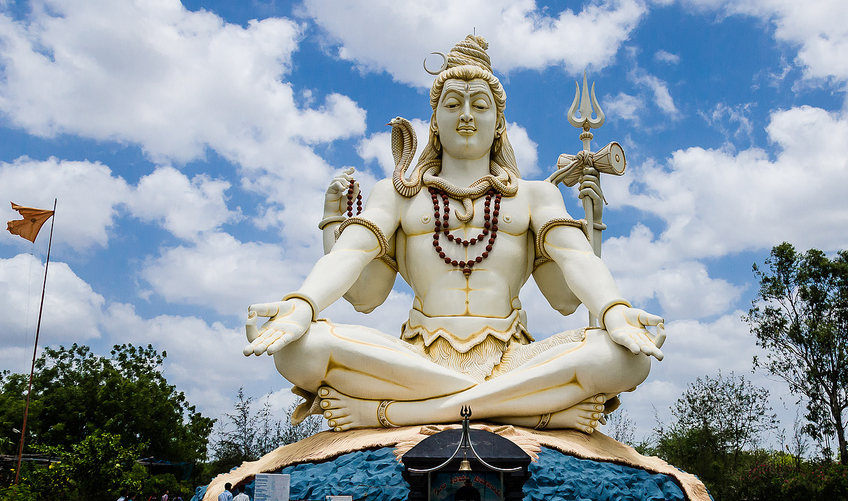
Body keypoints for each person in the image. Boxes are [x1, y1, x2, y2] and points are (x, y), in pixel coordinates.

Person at [244, 35, 665, 434]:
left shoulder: (536, 194)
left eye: (480, 105)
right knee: (298, 349)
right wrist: (302, 303)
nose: (466, 114)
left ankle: (396, 413)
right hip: (417, 357)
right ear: (434, 121)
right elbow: (362, 287)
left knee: (626, 359)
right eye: (453, 104)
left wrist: (612, 310)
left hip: (512, 358)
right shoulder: (397, 194)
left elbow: (569, 287)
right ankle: (534, 412)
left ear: (499, 123)